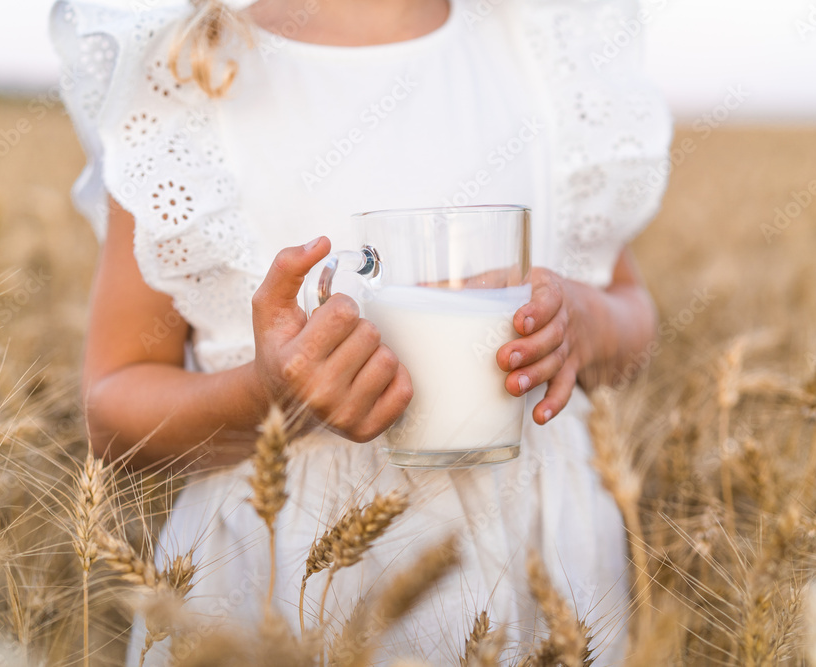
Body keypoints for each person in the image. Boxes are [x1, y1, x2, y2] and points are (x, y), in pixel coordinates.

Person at [50, 0, 672, 663]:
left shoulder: (544, 43)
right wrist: (266, 395)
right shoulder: (182, 70)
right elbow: (112, 406)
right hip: (282, 580)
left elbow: (633, 315)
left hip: (547, 572)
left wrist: (585, 319)